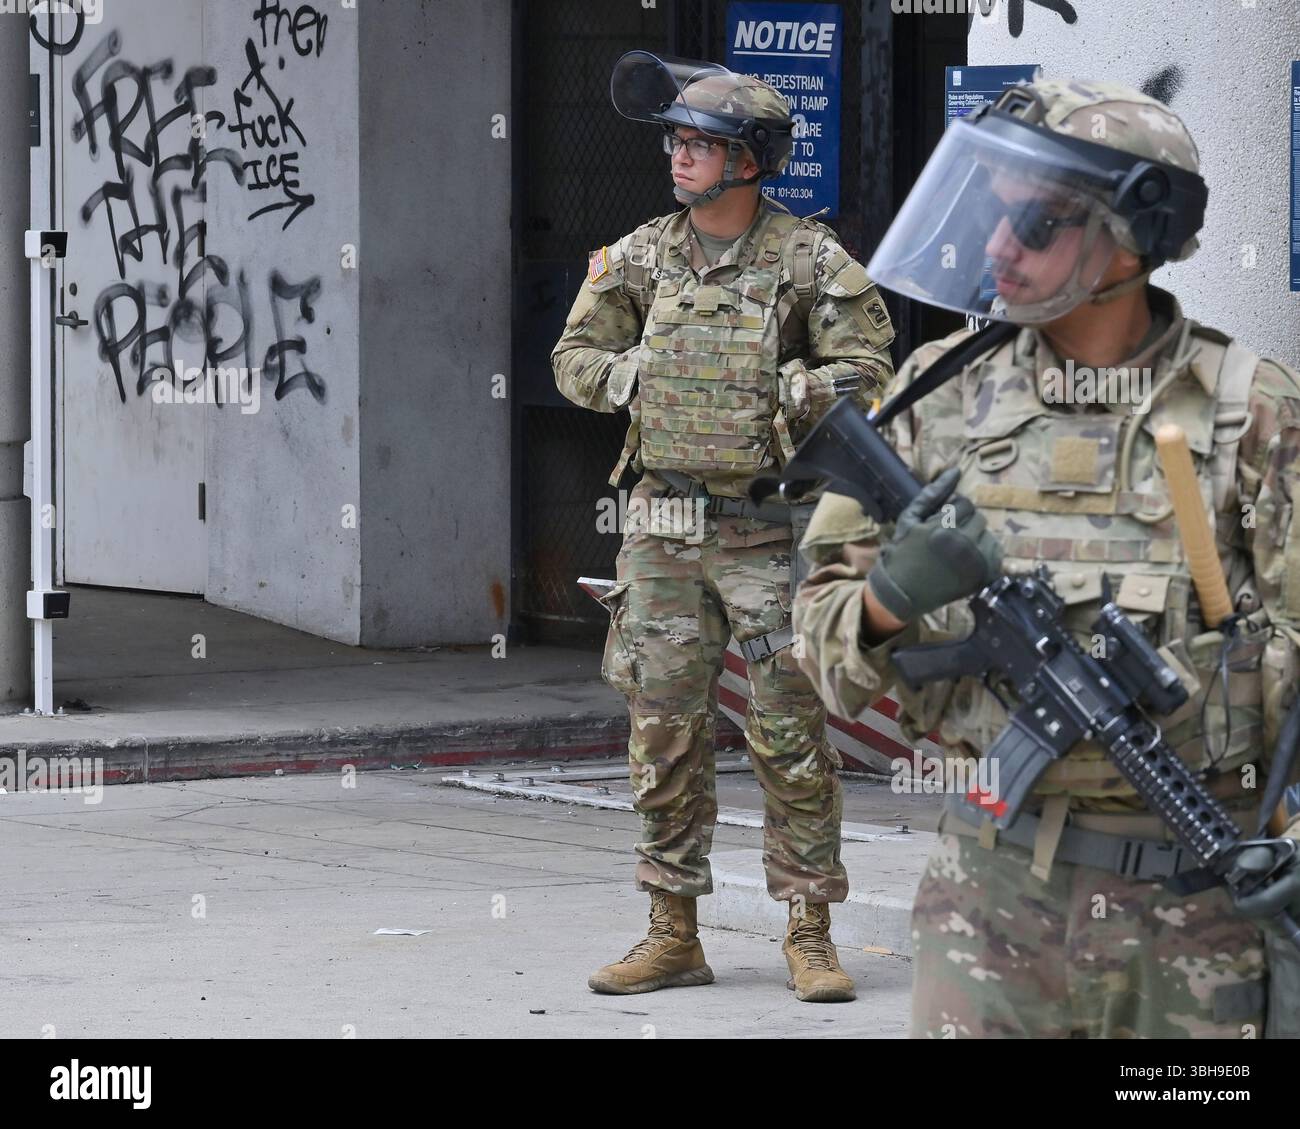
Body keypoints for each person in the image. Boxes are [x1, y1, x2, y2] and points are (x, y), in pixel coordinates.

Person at [791, 77, 1300, 1037]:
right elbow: (818, 654)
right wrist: (889, 602)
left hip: (1197, 910)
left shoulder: (1250, 409)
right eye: (994, 215)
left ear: (1132, 232)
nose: (996, 248)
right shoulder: (933, 403)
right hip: (989, 898)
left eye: (1035, 222)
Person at [551, 52, 895, 1001]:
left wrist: (795, 392)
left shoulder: (808, 259)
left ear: (749, 160)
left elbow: (873, 368)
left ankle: (810, 931)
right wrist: (632, 379)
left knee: (788, 733)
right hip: (660, 523)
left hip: (767, 527)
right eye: (675, 140)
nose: (679, 156)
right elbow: (572, 356)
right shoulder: (642, 255)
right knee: (662, 729)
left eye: (700, 143)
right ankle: (673, 930)